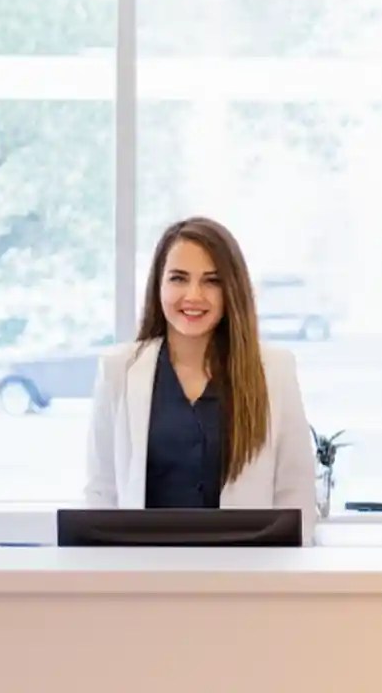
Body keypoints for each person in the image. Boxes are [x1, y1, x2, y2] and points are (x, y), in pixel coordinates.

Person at [83, 216, 317, 545]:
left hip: (244, 581)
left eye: (211, 281)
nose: (193, 295)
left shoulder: (274, 370)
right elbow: (101, 492)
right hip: (142, 579)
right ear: (158, 286)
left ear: (231, 290)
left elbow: (297, 494)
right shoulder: (117, 370)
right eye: (178, 278)